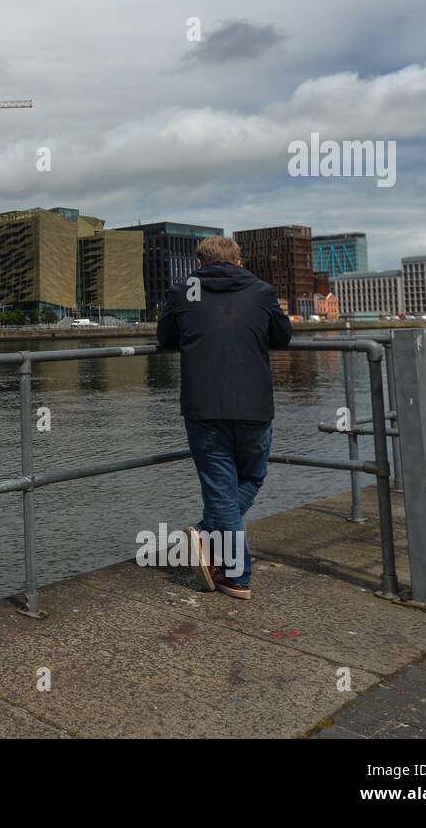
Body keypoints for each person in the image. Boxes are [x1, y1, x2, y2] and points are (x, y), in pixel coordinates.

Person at [156, 236, 293, 599]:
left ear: (199, 263)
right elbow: (283, 336)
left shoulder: (184, 291)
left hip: (204, 405)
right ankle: (233, 571)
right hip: (254, 404)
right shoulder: (261, 290)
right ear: (239, 260)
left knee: (220, 487)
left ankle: (210, 538)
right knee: (252, 476)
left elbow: (165, 337)